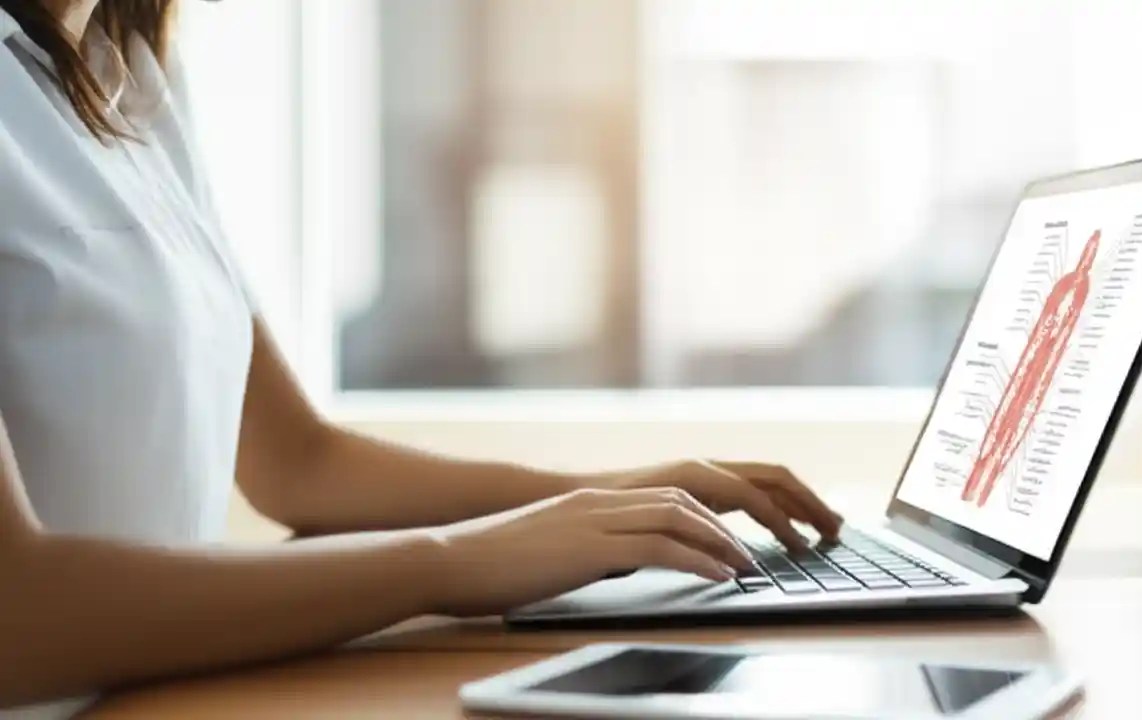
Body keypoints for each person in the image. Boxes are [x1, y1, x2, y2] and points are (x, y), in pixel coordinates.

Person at [0, 1, 844, 714]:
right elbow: (17, 614)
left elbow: (300, 465)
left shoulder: (131, 78)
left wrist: (612, 502)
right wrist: (454, 562)